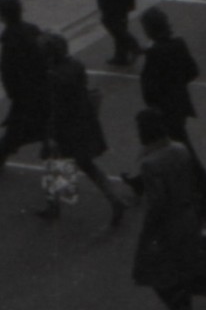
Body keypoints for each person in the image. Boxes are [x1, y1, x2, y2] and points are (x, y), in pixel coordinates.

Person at [128, 109, 206, 310]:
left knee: (155, 271)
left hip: (169, 223)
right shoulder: (180, 150)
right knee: (182, 266)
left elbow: (157, 203)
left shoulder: (150, 163)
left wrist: (148, 232)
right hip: (189, 215)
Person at [35, 32, 133, 226]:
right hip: (83, 121)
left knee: (56, 164)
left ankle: (53, 205)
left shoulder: (52, 75)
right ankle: (114, 199)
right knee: (86, 164)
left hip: (65, 128)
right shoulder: (76, 66)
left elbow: (55, 108)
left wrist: (51, 133)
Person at [0, 0, 50, 168]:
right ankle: (0, 153)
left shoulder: (9, 38)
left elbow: (7, 70)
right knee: (26, 124)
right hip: (42, 85)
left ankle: (0, 152)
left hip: (25, 91)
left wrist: (12, 92)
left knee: (22, 125)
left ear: (2, 15)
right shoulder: (32, 29)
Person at [137, 6, 199, 149]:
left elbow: (150, 87)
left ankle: (196, 171)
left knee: (179, 145)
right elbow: (193, 71)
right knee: (180, 142)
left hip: (165, 108)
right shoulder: (178, 44)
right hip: (180, 102)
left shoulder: (154, 54)